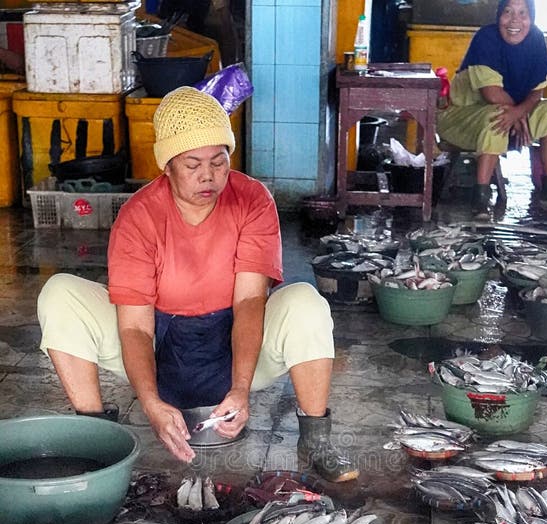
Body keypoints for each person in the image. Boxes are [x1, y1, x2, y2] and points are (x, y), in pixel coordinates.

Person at [37, 87, 358, 483]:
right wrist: (151, 403)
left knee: (306, 302)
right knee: (60, 294)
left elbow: (249, 303)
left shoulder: (252, 200)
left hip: (236, 348)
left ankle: (316, 440)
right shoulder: (139, 216)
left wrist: (241, 389)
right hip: (158, 348)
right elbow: (135, 326)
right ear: (166, 166)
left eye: (218, 161)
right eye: (192, 164)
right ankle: (94, 437)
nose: (208, 176)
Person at [437, 0, 547, 219]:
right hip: (460, 117)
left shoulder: (536, 39)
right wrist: (516, 114)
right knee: (499, 115)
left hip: (511, 113)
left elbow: (537, 92)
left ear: (531, 17)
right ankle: (481, 197)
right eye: (508, 12)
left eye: (523, 13)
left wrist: (519, 112)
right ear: (498, 15)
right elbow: (491, 94)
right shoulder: (486, 38)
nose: (515, 20)